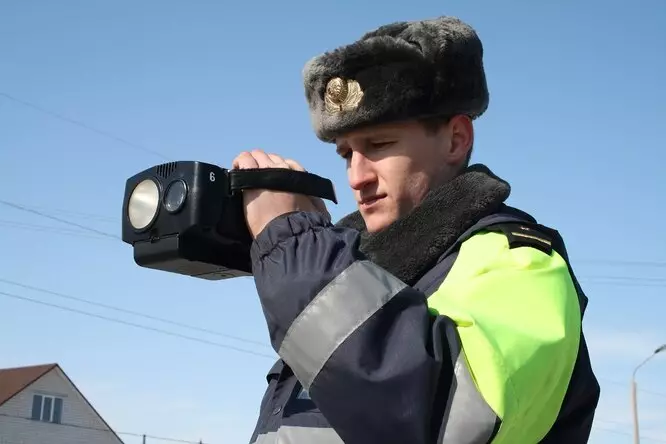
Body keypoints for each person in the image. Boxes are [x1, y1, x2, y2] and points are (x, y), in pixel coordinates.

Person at [233, 15, 600, 444]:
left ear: (455, 140)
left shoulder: (524, 262)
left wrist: (294, 243)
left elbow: (446, 418)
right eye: (346, 154)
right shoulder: (347, 270)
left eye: (379, 145)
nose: (356, 176)